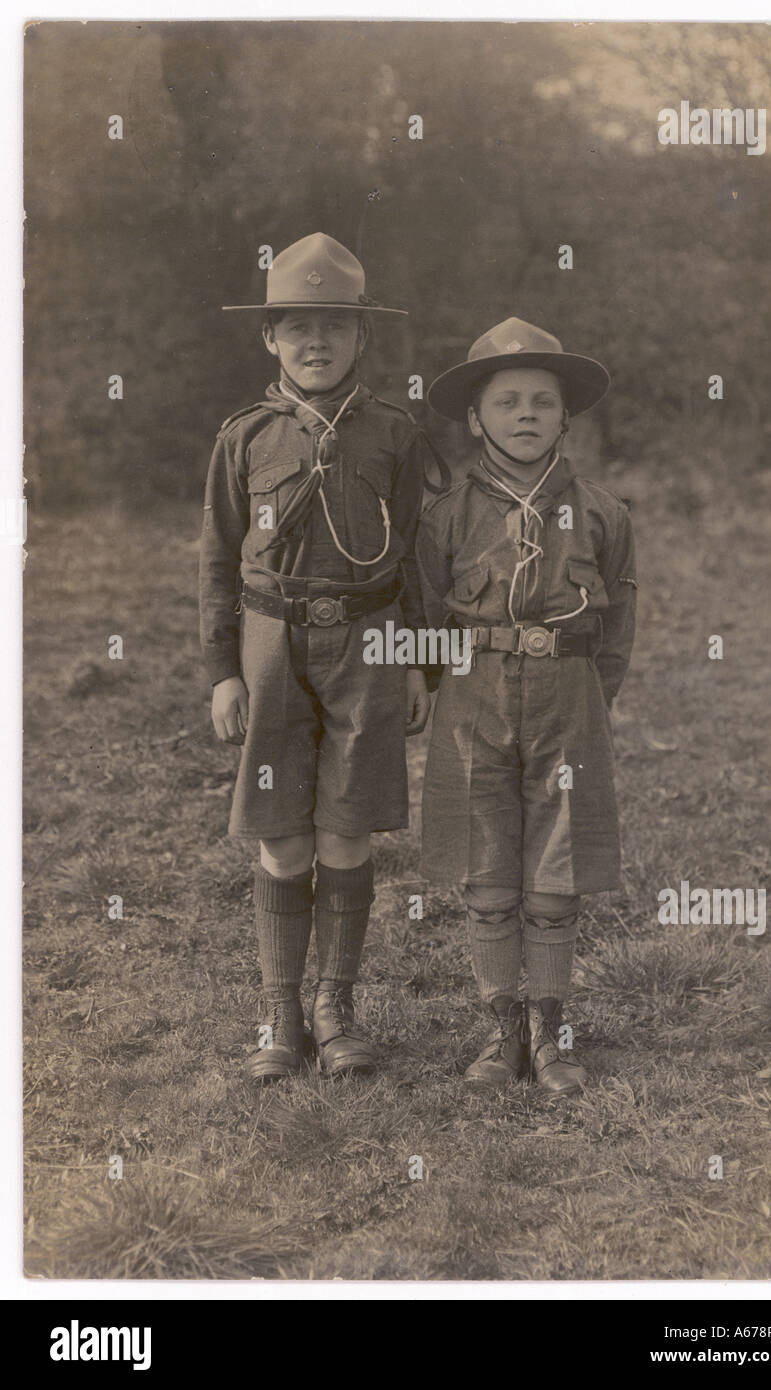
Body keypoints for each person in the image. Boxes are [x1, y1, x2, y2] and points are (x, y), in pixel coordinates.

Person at [200, 233, 431, 1082]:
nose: (316, 343)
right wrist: (222, 669)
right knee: (280, 835)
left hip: (369, 645)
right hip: (269, 646)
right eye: (297, 326)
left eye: (335, 325)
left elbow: (418, 557)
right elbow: (218, 559)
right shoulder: (245, 438)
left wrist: (418, 660)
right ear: (270, 338)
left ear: (362, 337)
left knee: (344, 830)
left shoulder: (395, 435)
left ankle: (337, 1006)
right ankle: (279, 1012)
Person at [416, 318, 637, 1093]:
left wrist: (586, 696)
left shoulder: (604, 512)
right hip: (472, 700)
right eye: (505, 401)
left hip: (566, 701)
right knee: (486, 870)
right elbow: (421, 619)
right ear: (475, 418)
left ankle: (550, 1032)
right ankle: (499, 1030)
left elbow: (616, 629)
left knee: (556, 867)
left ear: (565, 416)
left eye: (541, 401)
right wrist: (434, 692)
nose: (525, 415)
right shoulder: (443, 517)